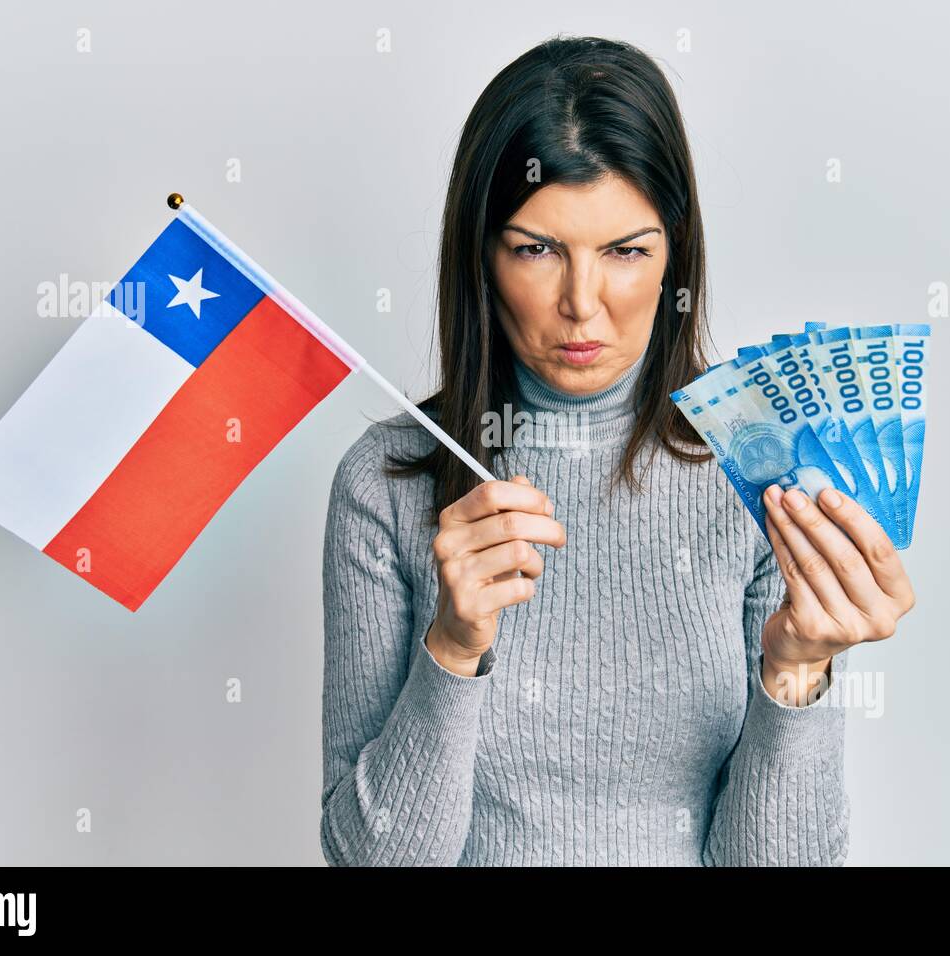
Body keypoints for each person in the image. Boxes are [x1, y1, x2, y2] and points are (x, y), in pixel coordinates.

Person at [320, 35, 915, 866]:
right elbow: (367, 860)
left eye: (626, 252)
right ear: (481, 256)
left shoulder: (759, 464)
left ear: (676, 251)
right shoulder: (383, 486)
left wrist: (797, 673)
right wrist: (453, 648)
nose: (582, 304)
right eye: (536, 249)